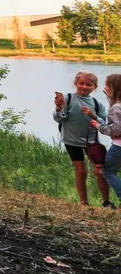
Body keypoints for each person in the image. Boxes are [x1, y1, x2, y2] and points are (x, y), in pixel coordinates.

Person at [54, 71, 111, 207]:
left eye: (88, 84)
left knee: (100, 172)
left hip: (91, 143)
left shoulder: (97, 104)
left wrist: (93, 116)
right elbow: (59, 118)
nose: (84, 86)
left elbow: (104, 124)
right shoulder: (68, 99)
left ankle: (106, 202)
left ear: (95, 87)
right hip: (71, 141)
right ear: (76, 83)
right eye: (81, 83)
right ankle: (84, 203)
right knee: (81, 172)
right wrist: (58, 108)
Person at [96, 74, 121, 204]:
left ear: (113, 87)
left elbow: (116, 129)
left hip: (118, 146)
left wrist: (99, 127)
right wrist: (111, 99)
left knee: (108, 172)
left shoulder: (115, 107)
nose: (105, 88)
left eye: (107, 85)